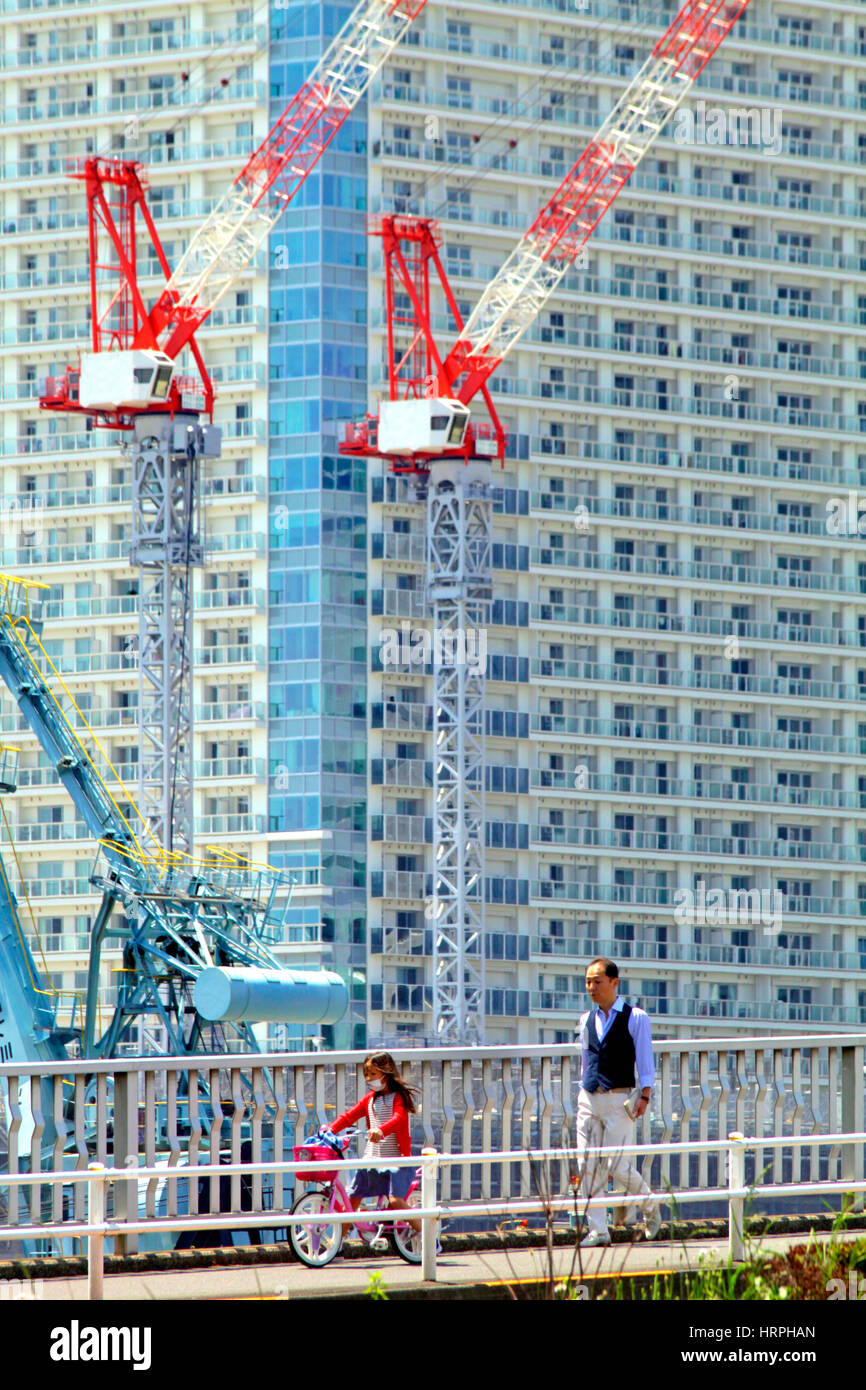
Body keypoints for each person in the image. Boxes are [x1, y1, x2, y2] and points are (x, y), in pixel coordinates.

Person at [574, 957, 662, 1248]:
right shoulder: (587, 1020)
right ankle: (598, 1230)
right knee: (586, 1164)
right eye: (588, 981)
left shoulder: (636, 1017)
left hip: (619, 1098)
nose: (591, 987)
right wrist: (583, 1090)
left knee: (618, 1166)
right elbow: (586, 1060)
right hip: (589, 1097)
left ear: (614, 983)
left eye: (597, 981)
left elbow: (646, 1061)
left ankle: (650, 1206)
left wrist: (645, 1095)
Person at [327, 1051, 420, 1232]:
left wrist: (381, 1129)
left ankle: (426, 1236)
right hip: (372, 1157)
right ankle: (338, 1244)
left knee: (396, 1200)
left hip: (396, 1159)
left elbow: (399, 1118)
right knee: (352, 1199)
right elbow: (349, 1116)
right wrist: (330, 1129)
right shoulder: (370, 1098)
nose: (369, 1079)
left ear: (386, 1073)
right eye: (366, 1075)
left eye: (373, 1074)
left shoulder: (399, 1096)